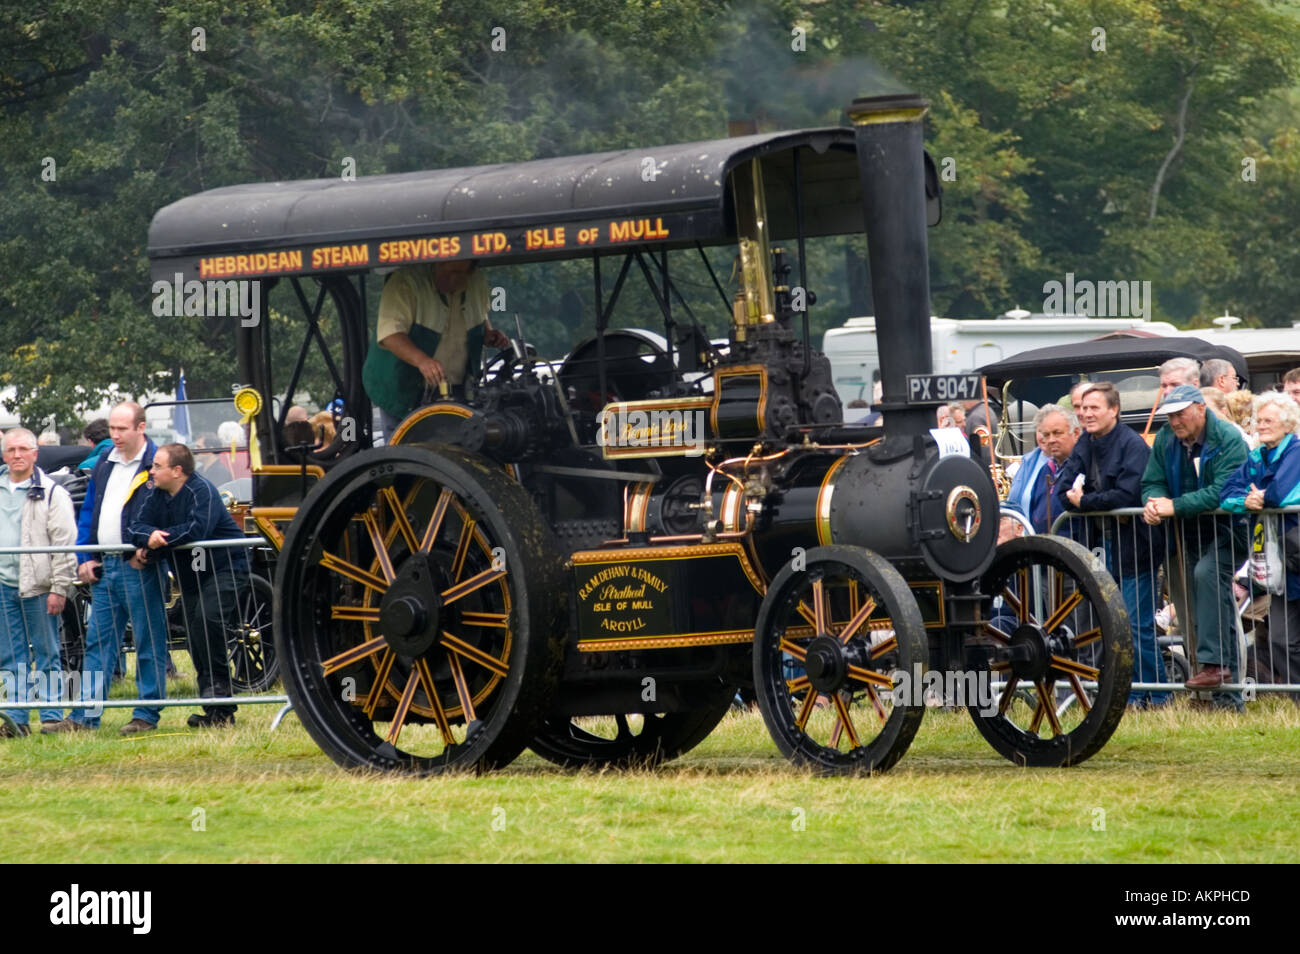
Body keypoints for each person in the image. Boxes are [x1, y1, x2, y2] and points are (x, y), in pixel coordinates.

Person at [1056, 381, 1167, 707]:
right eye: (1083, 409)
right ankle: (1131, 695)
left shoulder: (1132, 445)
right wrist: (1088, 502)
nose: (1087, 415)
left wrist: (1086, 500)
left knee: (1136, 624)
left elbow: (1128, 494)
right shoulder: (1086, 443)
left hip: (1138, 546)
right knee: (1115, 625)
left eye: (1094, 408)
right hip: (1105, 545)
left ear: (1114, 411)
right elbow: (1063, 488)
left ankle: (1158, 696)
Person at [1140, 385, 1249, 709]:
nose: (1174, 421)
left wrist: (1174, 505)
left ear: (1200, 408)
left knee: (1209, 582)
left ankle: (1223, 685)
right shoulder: (1164, 439)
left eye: (1180, 413)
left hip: (1232, 529)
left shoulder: (1228, 437)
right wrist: (1153, 502)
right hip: (1187, 535)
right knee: (1203, 611)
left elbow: (1223, 490)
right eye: (1170, 415)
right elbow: (1152, 480)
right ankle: (1217, 697)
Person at [65, 402, 170, 735]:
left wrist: (149, 554)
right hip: (105, 566)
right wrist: (85, 557)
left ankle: (146, 714)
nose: (115, 435)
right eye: (112, 428)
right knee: (98, 643)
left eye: (122, 429)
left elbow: (168, 514)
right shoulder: (104, 463)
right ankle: (85, 717)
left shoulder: (158, 464)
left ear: (141, 427)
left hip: (139, 569)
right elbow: (89, 514)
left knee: (148, 641)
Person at [129, 444, 247, 728]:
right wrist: (149, 537)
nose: (152, 471)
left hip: (226, 567)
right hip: (191, 576)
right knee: (195, 635)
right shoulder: (156, 494)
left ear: (177, 471)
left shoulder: (201, 490)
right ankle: (216, 712)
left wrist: (157, 542)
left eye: (158, 466)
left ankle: (221, 700)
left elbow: (197, 530)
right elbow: (135, 526)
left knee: (208, 620)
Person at [362, 259, 509, 435]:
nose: (448, 279)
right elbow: (390, 336)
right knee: (405, 454)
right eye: (444, 270)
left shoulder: (477, 281)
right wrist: (422, 361)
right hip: (402, 390)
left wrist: (488, 334)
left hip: (455, 390)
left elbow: (480, 313)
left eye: (456, 273)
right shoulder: (405, 281)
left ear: (470, 273)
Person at [0, 429, 78, 737]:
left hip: (40, 586)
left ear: (35, 454)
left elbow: (65, 543)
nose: (17, 454)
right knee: (10, 655)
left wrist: (60, 588)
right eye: (11, 449)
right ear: (4, 455)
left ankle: (51, 717)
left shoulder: (52, 492)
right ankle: (16, 720)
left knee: (47, 654)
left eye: (23, 449)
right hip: (3, 585)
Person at [1221, 391, 1300, 692]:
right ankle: (1297, 702)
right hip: (1278, 564)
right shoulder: (1257, 456)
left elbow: (1280, 494)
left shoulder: (1296, 451)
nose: (1261, 425)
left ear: (1287, 424)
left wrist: (1262, 496)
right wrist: (1249, 499)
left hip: (1296, 551)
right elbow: (1226, 493)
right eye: (1258, 420)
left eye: (1269, 420)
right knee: (1280, 639)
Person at [1004, 406, 1081, 534]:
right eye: (1046, 435)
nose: (1051, 440)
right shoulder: (1045, 470)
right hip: (1044, 547)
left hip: (1076, 549)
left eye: (1057, 433)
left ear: (1076, 433)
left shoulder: (1085, 466)